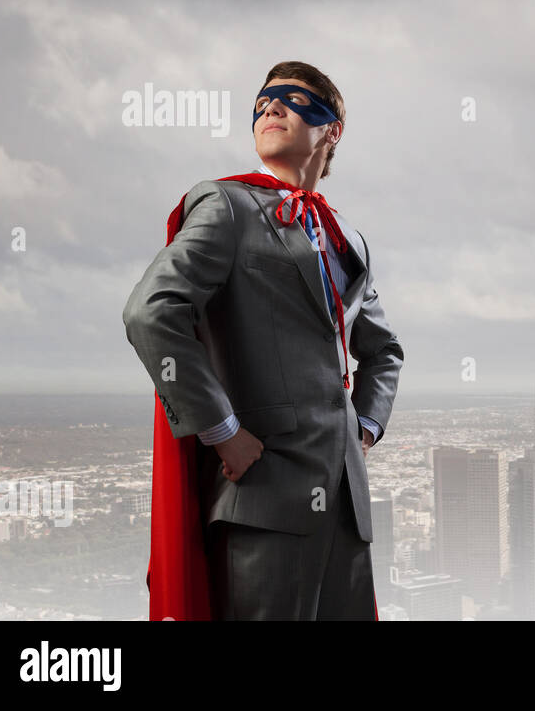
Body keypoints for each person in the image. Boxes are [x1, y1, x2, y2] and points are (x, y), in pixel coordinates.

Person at [122, 60, 404, 619]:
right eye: (264, 101)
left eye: (295, 100)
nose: (271, 107)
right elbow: (151, 311)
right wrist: (222, 431)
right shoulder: (226, 206)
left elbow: (383, 350)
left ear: (332, 131)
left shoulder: (348, 239)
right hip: (261, 507)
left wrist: (362, 429)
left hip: (347, 516)